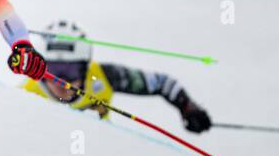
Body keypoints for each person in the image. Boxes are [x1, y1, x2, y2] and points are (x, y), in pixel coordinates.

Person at [24, 20, 213, 133]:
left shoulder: (104, 76)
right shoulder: (26, 95)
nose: (62, 81)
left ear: (85, 67)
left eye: (71, 70)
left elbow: (161, 83)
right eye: (54, 70)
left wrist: (188, 107)